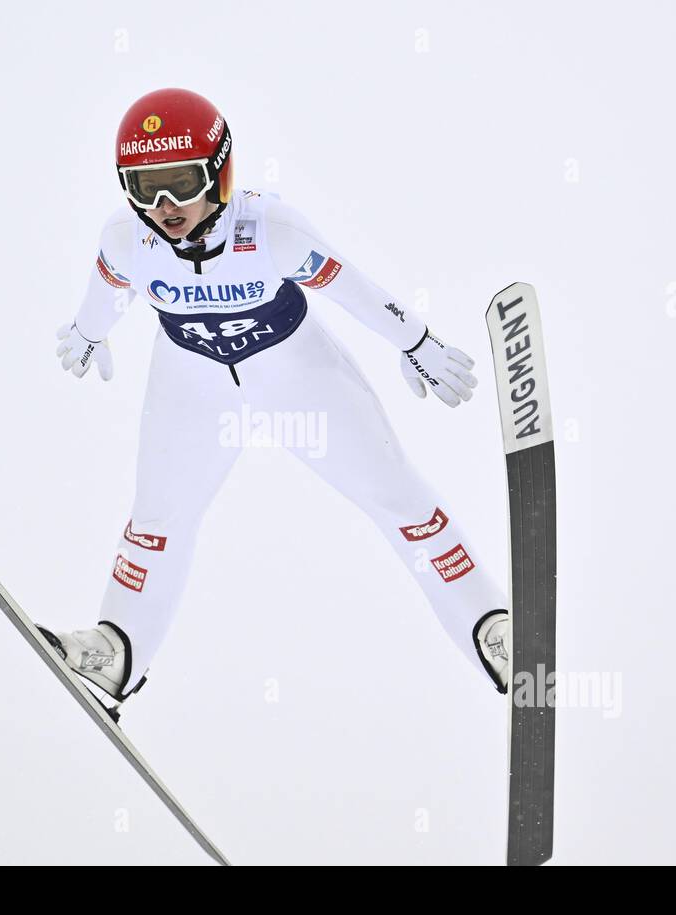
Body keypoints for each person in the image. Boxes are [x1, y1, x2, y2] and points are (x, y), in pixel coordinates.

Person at [48, 88, 510, 706]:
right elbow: (107, 291)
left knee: (397, 496)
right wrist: (86, 332)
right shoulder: (126, 240)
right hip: (192, 385)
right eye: (144, 185)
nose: (164, 206)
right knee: (155, 520)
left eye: (181, 181)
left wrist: (415, 341)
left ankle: (490, 628)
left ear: (219, 171)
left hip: (296, 377)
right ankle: (117, 648)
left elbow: (352, 286)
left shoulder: (272, 229)